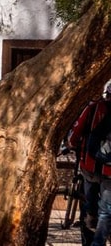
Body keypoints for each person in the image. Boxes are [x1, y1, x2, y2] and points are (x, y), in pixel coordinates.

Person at [68, 81, 111, 240]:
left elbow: (75, 134)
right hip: (110, 171)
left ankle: (89, 228)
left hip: (90, 166)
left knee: (89, 203)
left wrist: (72, 144)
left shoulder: (93, 108)